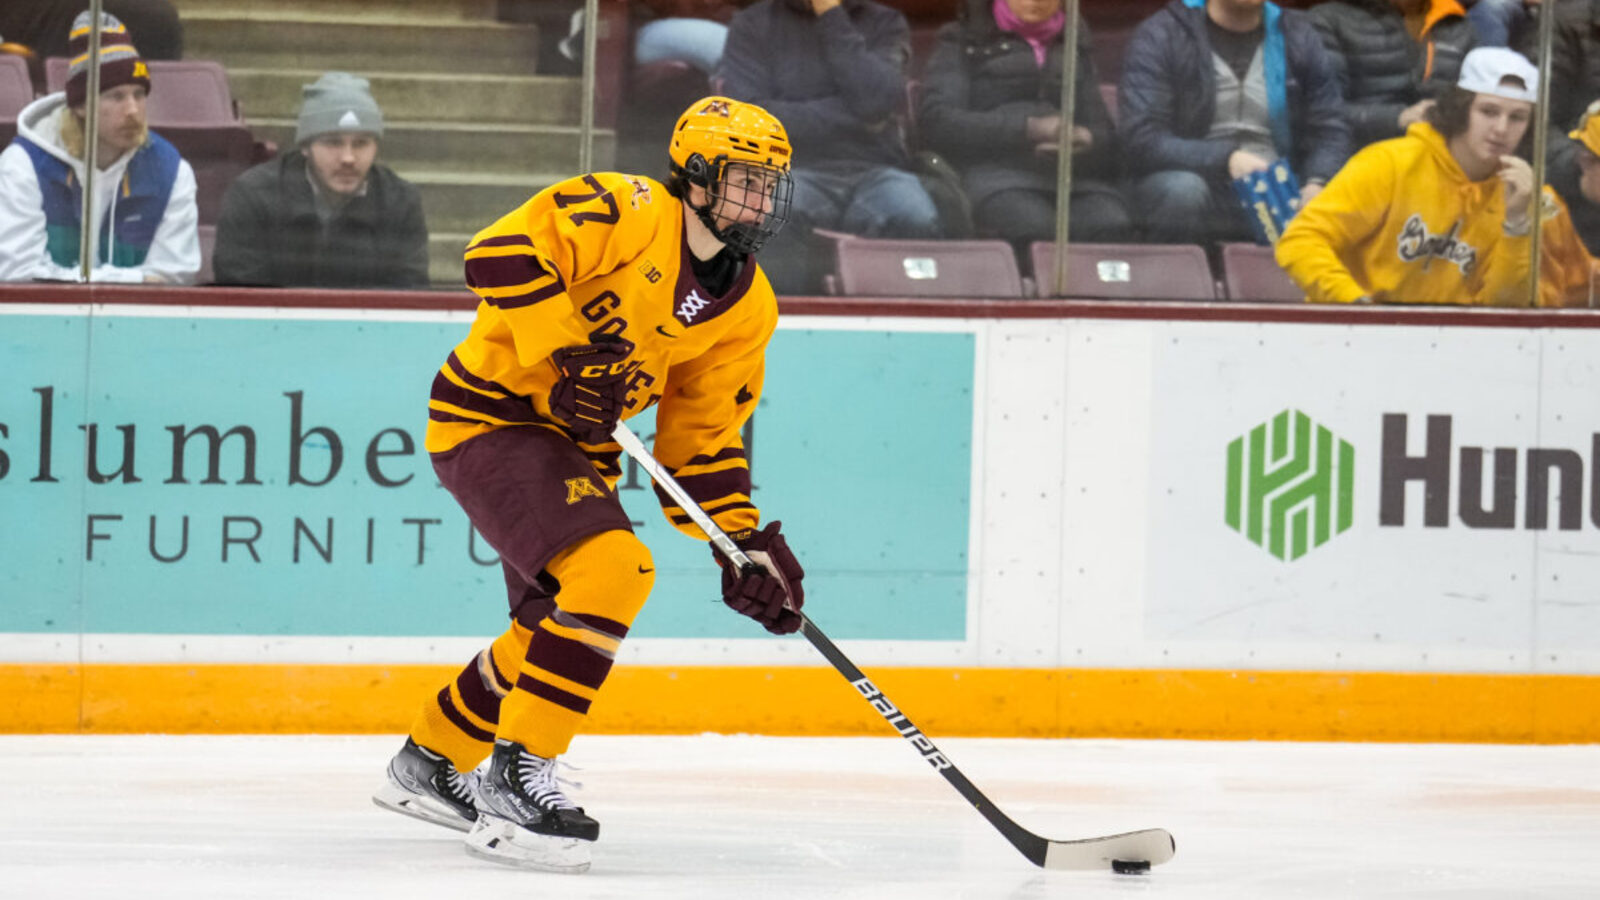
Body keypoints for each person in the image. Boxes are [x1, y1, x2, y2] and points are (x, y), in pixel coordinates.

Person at [371, 96, 807, 873]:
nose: (764, 201)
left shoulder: (749, 308)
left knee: (547, 629)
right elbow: (495, 253)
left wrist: (738, 541)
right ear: (699, 178)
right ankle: (516, 778)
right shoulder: (625, 208)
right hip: (491, 416)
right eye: (748, 181)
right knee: (615, 570)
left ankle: (431, 760)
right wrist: (569, 351)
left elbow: (701, 443)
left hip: (577, 448)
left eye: (773, 185)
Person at [1277, 47, 1594, 307]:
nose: (1501, 129)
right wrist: (1356, 305)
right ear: (1461, 108)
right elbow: (1302, 240)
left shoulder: (1522, 195)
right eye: (1488, 111)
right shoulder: (1389, 164)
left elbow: (1504, 308)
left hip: (1459, 351)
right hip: (1357, 338)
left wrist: (1516, 225)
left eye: (1517, 118)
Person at [719, 0, 942, 293]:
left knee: (914, 213)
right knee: (773, 210)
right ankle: (779, 325)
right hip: (790, 167)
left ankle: (897, 330)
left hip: (876, 168)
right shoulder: (752, 24)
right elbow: (751, 119)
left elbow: (876, 99)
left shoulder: (885, 22)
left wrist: (831, 15)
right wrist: (857, 118)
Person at [1118, 0, 1351, 245]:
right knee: (1182, 191)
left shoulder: (1299, 35)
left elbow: (1330, 129)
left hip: (1277, 188)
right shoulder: (1162, 34)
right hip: (1195, 181)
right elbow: (1141, 138)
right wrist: (1227, 158)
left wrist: (1317, 182)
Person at [0, 11, 198, 283]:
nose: (132, 110)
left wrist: (96, 283)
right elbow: (17, 276)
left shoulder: (170, 170)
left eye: (139, 94)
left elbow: (173, 278)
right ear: (79, 106)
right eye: (115, 97)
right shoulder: (24, 166)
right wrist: (133, 280)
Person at [918, 0, 1134, 248]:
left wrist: (1086, 138)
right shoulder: (962, 39)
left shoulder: (1074, 44)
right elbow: (938, 122)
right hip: (994, 176)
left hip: (1074, 179)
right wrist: (1028, 129)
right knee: (1033, 227)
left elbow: (1105, 133)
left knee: (1110, 226)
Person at [212, 72, 428, 288]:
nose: (348, 158)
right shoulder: (253, 196)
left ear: (376, 147)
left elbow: (408, 296)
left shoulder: (400, 202)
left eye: (361, 143)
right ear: (305, 146)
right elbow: (241, 295)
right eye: (333, 143)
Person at [1310, 0, 1476, 150]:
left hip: (1440, 157)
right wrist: (1398, 117)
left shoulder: (1457, 23)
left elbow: (1476, 105)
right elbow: (1323, 114)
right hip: (1362, 158)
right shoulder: (1328, 20)